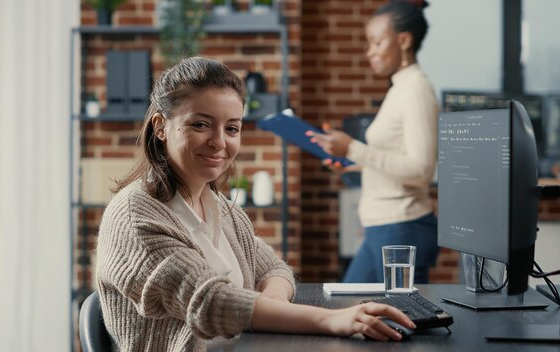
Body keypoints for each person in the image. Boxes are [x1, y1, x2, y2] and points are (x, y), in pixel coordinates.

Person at [95, 56, 415, 351]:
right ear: (160, 127)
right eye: (200, 124)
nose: (220, 141)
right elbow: (209, 300)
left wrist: (273, 302)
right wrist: (332, 319)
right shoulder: (134, 215)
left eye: (232, 128)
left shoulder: (221, 208)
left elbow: (274, 268)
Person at [307, 0, 439, 284]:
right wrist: (351, 164)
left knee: (404, 323)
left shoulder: (416, 90)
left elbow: (421, 171)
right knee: (346, 311)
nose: (370, 52)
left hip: (402, 229)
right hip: (382, 228)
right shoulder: (400, 87)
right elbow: (393, 156)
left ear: (404, 41)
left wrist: (353, 148)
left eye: (377, 43)